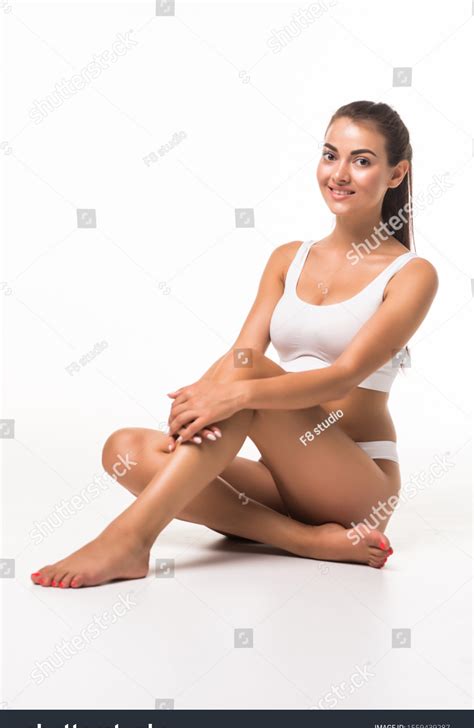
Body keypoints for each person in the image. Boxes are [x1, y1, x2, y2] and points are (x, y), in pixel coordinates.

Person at [30, 100, 438, 589]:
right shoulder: (288, 259)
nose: (339, 173)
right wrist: (199, 404)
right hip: (283, 476)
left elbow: (342, 375)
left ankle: (130, 539)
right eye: (331, 155)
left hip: (356, 485)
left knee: (247, 375)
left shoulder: (412, 275)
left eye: (362, 160)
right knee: (127, 448)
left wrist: (235, 393)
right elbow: (240, 355)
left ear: (397, 174)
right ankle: (304, 540)